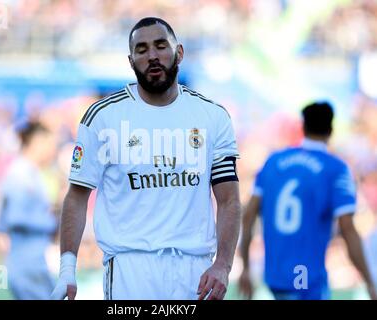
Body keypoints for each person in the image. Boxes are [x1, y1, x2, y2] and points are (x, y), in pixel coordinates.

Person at [51, 17, 241, 300]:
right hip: (131, 268)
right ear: (131, 61)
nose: (152, 55)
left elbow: (229, 200)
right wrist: (68, 268)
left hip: (195, 270)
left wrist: (223, 265)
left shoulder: (212, 116)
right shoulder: (103, 117)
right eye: (141, 49)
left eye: (160, 46)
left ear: (179, 52)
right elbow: (76, 196)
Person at [239, 102, 377, 300]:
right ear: (331, 129)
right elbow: (348, 229)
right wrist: (369, 281)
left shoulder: (273, 162)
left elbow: (249, 215)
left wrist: (246, 267)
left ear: (303, 127)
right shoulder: (336, 169)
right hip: (304, 278)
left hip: (275, 275)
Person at [0, 121, 58, 299]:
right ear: (38, 142)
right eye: (50, 144)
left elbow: (1, 224)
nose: (52, 150)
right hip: (27, 263)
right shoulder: (22, 174)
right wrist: (51, 222)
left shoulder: (29, 172)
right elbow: (14, 218)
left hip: (29, 261)